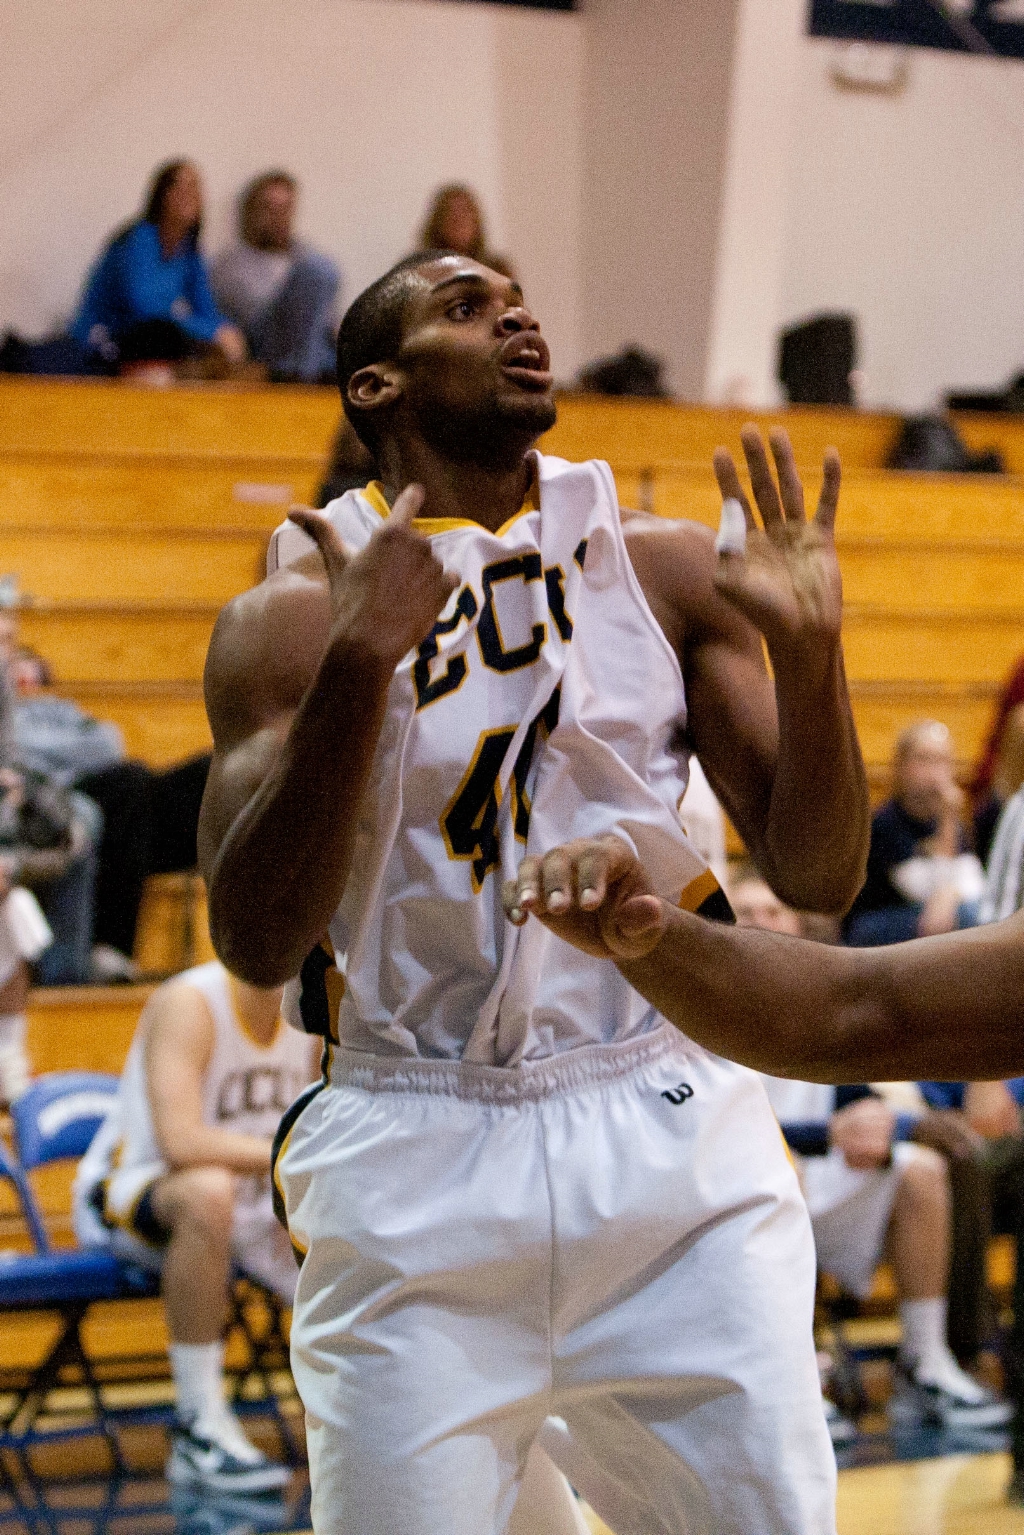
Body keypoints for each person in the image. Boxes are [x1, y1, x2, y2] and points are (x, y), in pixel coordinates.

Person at [197, 250, 869, 1535]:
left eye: (518, 302)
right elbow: (256, 938)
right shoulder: (291, 613)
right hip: (412, 1147)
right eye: (468, 307)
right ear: (376, 385)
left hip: (664, 1127)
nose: (516, 318)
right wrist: (358, 666)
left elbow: (820, 869)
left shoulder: (663, 565)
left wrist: (811, 652)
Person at [732, 871, 1009, 1433]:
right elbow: (719, 1129)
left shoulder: (819, 996)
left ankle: (925, 1361)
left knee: (921, 1170)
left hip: (816, 1173)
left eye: (773, 912)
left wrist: (897, 1127)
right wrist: (826, 1137)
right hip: (738, 1187)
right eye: (748, 912)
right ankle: (793, 1377)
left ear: (796, 926)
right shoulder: (705, 1006)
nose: (762, 924)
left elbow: (858, 1101)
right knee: (780, 1175)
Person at [73, 961, 315, 1493]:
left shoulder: (314, 1000)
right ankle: (197, 1424)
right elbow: (180, 1142)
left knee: (350, 1209)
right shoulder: (191, 1002)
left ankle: (366, 1422)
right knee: (209, 1192)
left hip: (254, 1202)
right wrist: (298, 1156)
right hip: (136, 1191)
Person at [12, 642, 211, 977]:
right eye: (16, 664)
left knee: (207, 773)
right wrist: (70, 754)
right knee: (128, 784)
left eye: (32, 665)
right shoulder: (9, 716)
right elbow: (18, 754)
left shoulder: (64, 711)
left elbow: (108, 743)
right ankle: (111, 947)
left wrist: (51, 753)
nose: (26, 673)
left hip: (113, 805)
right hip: (50, 804)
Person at [71, 161, 245, 372]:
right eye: (178, 187)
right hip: (109, 338)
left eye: (194, 187)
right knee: (164, 335)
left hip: (152, 337)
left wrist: (224, 330)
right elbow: (145, 308)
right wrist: (208, 331)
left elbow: (204, 306)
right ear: (161, 195)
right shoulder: (139, 239)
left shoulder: (189, 249)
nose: (187, 195)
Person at [844, 720, 983, 947]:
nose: (934, 771)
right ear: (901, 765)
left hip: (923, 918)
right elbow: (920, 890)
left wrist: (949, 894)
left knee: (980, 915)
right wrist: (948, 822)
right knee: (966, 916)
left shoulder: (953, 822)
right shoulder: (885, 823)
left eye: (941, 760)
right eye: (924, 759)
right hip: (875, 925)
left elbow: (976, 883)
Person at [212, 172, 340, 383]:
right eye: (270, 208)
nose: (278, 217)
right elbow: (252, 316)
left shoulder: (304, 254)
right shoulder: (233, 262)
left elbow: (328, 318)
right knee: (317, 271)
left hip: (315, 347)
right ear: (253, 212)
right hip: (265, 345)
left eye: (285, 208)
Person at [418, 184, 516, 279]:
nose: (460, 221)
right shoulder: (420, 272)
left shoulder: (497, 272)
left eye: (465, 213)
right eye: (452, 214)